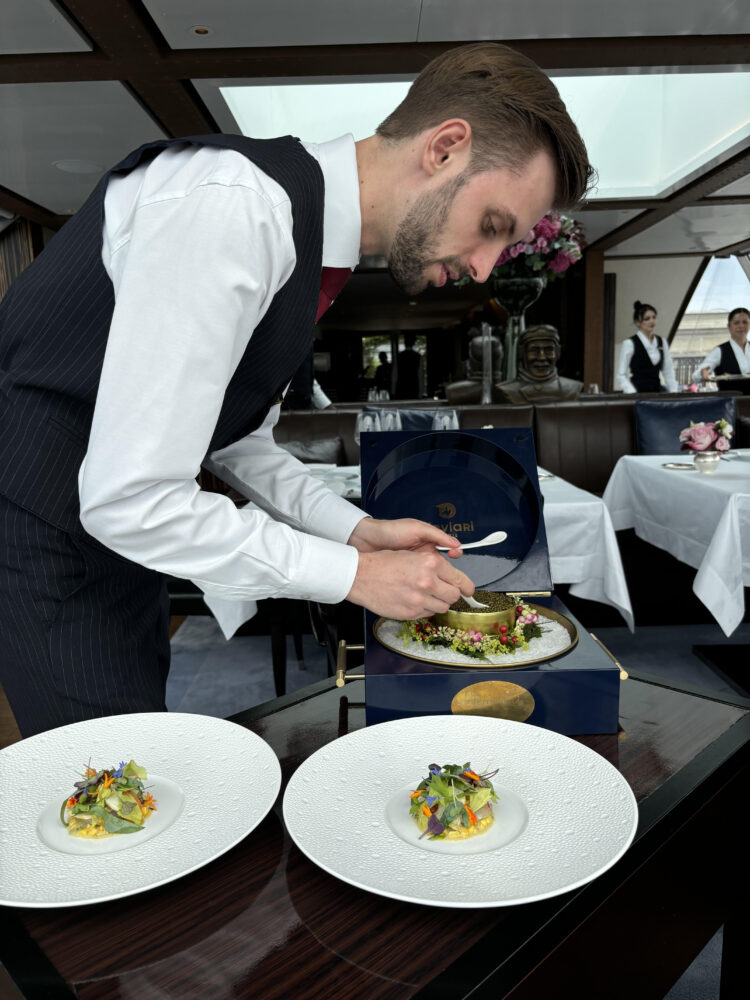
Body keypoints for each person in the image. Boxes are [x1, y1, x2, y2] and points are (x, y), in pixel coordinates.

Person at [0, 41, 592, 736]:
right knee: (106, 792)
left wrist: (359, 531)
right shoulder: (233, 208)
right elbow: (130, 498)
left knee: (141, 742)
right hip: (45, 533)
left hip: (121, 543)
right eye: (493, 226)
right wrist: (350, 575)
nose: (488, 268)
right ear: (445, 149)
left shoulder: (307, 246)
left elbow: (238, 442)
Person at [495, 324, 582, 403]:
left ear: (558, 352)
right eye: (534, 350)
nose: (542, 357)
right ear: (522, 353)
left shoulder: (572, 388)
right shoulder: (506, 389)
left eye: (548, 350)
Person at [615, 301, 678, 393]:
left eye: (654, 317)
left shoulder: (662, 342)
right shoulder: (629, 343)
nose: (652, 321)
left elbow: (668, 370)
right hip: (637, 393)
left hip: (657, 393)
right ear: (637, 322)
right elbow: (621, 375)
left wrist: (674, 392)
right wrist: (632, 393)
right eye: (647, 319)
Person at [692, 307, 750, 383]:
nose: (741, 326)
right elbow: (695, 377)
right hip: (730, 394)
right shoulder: (720, 351)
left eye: (745, 322)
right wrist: (702, 372)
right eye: (736, 323)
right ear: (729, 326)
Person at [394, 333, 425, 399]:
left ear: (405, 343)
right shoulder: (418, 357)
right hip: (413, 388)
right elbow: (421, 376)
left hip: (401, 388)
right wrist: (421, 392)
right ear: (414, 343)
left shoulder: (398, 356)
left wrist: (393, 391)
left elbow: (395, 374)